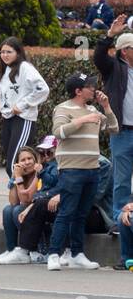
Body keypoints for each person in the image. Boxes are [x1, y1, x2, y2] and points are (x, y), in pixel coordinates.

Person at [45, 72, 114, 271]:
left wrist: (107, 107)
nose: (94, 89)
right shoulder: (62, 108)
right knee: (66, 212)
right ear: (78, 91)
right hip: (71, 169)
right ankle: (54, 254)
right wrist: (83, 120)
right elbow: (59, 132)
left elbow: (114, 127)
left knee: (81, 214)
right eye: (89, 86)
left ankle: (77, 253)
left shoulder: (93, 109)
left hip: (92, 169)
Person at [93, 16, 133, 223]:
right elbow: (99, 57)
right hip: (122, 133)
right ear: (124, 51)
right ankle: (119, 218)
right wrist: (109, 36)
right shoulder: (114, 68)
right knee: (122, 180)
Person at [0, 36, 49, 177]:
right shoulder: (5, 70)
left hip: (23, 119)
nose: (5, 55)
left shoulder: (25, 67)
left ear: (18, 53)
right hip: (9, 119)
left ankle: (25, 197)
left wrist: (23, 105)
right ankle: (22, 198)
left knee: (15, 165)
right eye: (2, 52)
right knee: (13, 165)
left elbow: (42, 89)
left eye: (9, 52)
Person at [0, 146, 43, 264]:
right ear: (18, 163)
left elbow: (26, 199)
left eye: (30, 158)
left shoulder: (39, 174)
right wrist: (14, 177)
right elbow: (13, 201)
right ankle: (12, 250)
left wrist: (18, 178)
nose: (27, 162)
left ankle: (31, 248)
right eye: (23, 160)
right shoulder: (21, 175)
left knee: (18, 210)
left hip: (39, 216)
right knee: (8, 210)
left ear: (35, 160)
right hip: (27, 212)